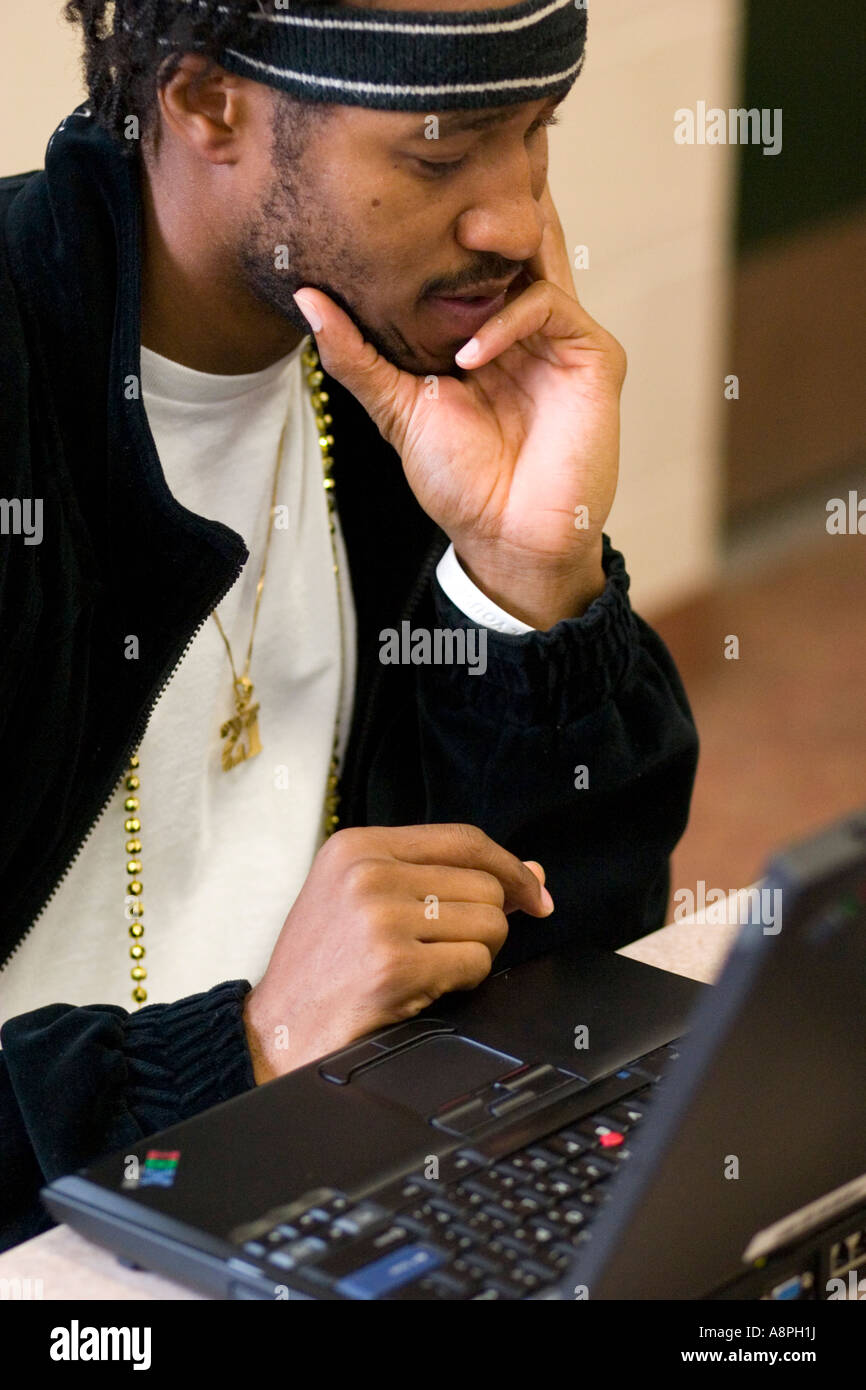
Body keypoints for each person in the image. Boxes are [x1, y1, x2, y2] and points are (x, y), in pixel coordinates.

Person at [0, 0, 698, 1252]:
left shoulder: (399, 375)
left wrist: (525, 581)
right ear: (208, 100)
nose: (514, 222)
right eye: (436, 156)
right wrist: (244, 1047)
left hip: (340, 1192)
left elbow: (580, 965)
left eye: (535, 134)